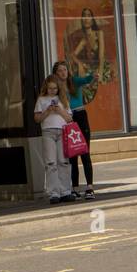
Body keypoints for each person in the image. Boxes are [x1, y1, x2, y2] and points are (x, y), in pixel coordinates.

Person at [52, 59, 95, 200]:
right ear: (56, 73)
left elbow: (87, 79)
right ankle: (74, 188)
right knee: (72, 155)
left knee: (85, 152)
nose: (63, 73)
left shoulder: (74, 81)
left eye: (65, 70)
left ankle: (89, 188)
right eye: (60, 70)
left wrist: (93, 75)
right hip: (67, 118)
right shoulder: (56, 87)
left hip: (80, 115)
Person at [33, 74, 73, 205]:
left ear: (58, 88)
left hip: (62, 132)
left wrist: (59, 110)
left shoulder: (63, 99)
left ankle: (65, 191)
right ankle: (54, 193)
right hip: (48, 132)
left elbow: (69, 119)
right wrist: (48, 111)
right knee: (51, 163)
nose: (52, 91)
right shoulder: (41, 99)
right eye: (50, 88)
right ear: (46, 87)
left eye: (55, 88)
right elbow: (37, 119)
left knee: (63, 161)